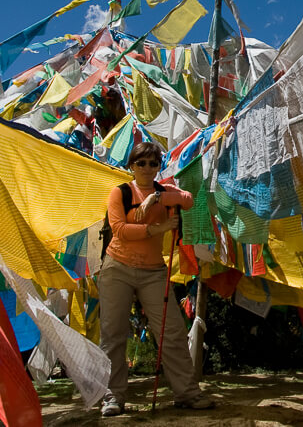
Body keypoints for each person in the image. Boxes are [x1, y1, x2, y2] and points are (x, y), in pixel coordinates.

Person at [97, 141, 213, 416]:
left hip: (153, 272)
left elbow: (187, 199)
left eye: (153, 163)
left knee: (171, 332)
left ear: (159, 167)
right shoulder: (119, 193)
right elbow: (121, 230)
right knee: (113, 334)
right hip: (117, 269)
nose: (148, 169)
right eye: (141, 163)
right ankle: (113, 397)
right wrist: (157, 228)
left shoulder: (164, 190)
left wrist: (158, 198)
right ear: (132, 166)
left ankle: (187, 393)